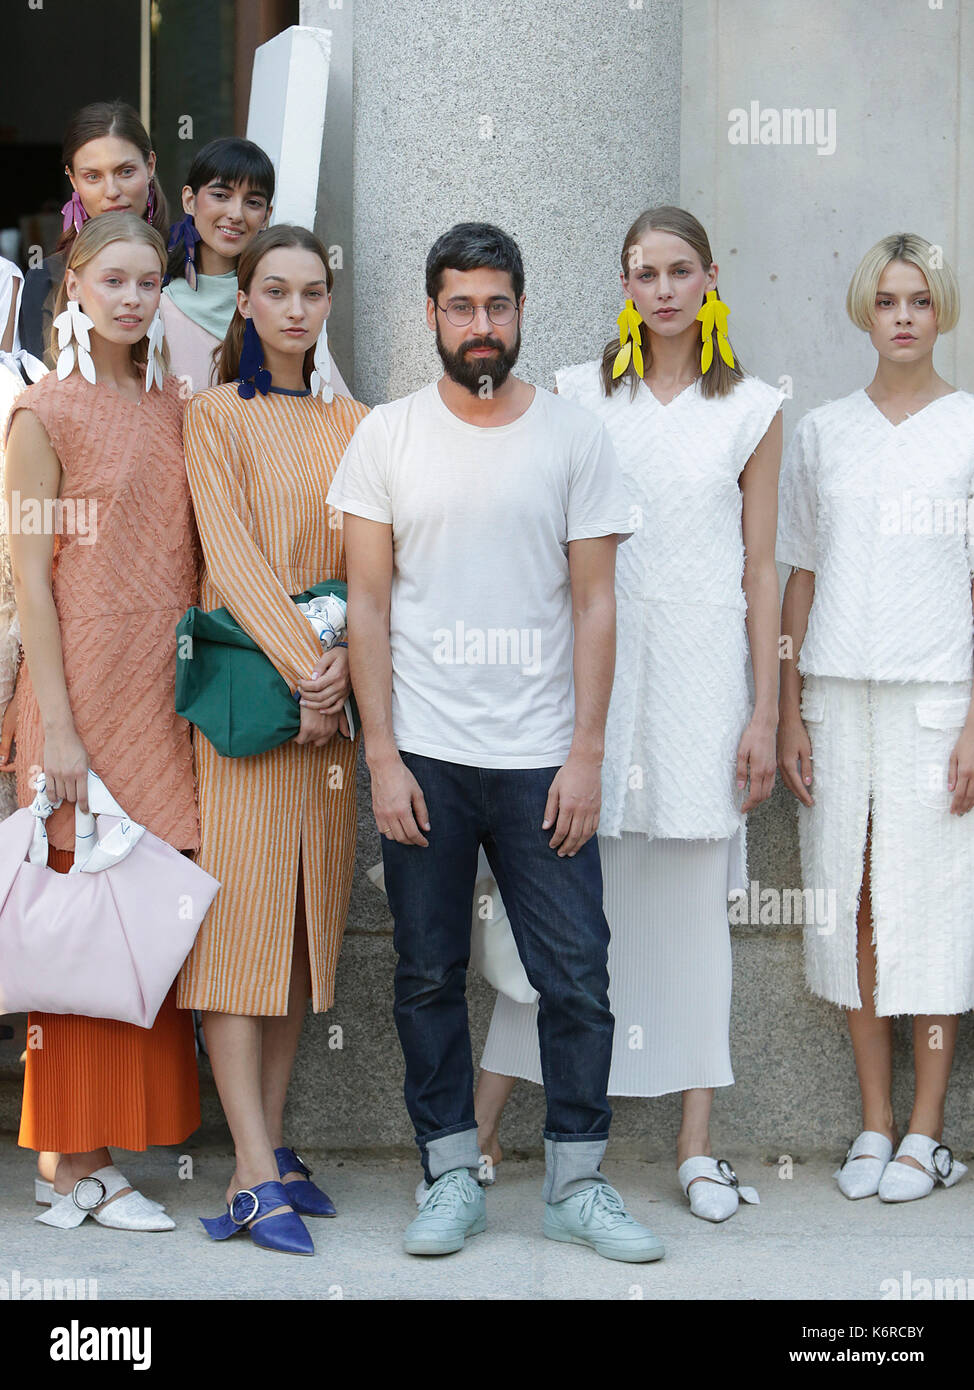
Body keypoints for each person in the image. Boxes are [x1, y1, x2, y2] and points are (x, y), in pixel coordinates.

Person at [328, 221, 665, 1263]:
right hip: (422, 756)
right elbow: (368, 610)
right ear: (430, 315)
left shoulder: (571, 436)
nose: (481, 325)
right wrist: (380, 757)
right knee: (426, 974)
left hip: (541, 761)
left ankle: (575, 1184)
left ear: (520, 310)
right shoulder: (384, 436)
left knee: (576, 973)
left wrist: (587, 752)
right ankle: (447, 1175)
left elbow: (597, 606)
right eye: (461, 306)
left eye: (498, 305)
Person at [476, 207, 782, 1223]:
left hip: (701, 680)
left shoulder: (752, 407)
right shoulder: (574, 394)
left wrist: (764, 714)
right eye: (642, 271)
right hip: (590, 683)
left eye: (679, 269)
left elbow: (758, 568)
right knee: (556, 924)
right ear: (622, 282)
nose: (660, 288)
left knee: (695, 920)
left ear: (708, 278)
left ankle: (696, 1147)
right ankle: (477, 1130)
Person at [5, 210, 200, 1231]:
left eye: (148, 281)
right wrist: (61, 732)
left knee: (140, 920)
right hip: (77, 690)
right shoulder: (43, 411)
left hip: (159, 695)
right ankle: (73, 1163)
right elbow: (28, 578)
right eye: (112, 279)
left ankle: (98, 1154)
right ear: (72, 284)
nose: (131, 297)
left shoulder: (172, 403)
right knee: (75, 923)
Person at [178, 225, 368, 1257]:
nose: (295, 310)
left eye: (311, 292)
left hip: (330, 718)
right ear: (244, 302)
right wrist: (309, 669)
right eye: (275, 291)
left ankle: (275, 1143)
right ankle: (251, 1171)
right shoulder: (213, 415)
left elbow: (377, 560)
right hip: (256, 705)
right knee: (237, 938)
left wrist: (344, 678)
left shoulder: (358, 422)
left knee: (299, 939)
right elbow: (232, 558)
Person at [776, 233, 974, 1203]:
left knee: (927, 911)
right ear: (865, 310)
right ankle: (871, 1121)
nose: (901, 315)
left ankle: (927, 1132)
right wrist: (786, 714)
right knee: (851, 903)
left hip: (936, 700)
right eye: (886, 299)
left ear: (940, 313)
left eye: (919, 300)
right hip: (834, 697)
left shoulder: (969, 430)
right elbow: (799, 577)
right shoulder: (822, 433)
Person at [160, 137, 349, 397]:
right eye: (220, 195)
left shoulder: (280, 305)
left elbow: (333, 406)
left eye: (253, 202)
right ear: (189, 200)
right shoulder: (157, 307)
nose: (236, 214)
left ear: (266, 216)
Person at [18, 101, 168, 367]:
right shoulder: (46, 279)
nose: (111, 191)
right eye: (93, 177)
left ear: (151, 165)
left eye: (126, 172)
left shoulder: (187, 266)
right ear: (73, 179)